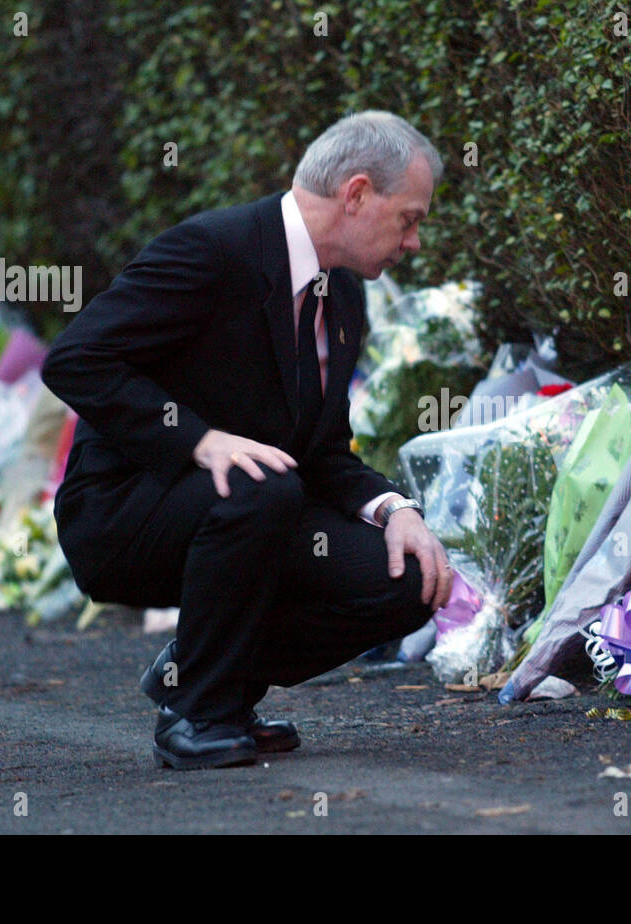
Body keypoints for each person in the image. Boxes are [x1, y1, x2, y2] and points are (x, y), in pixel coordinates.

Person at [40, 110, 454, 770]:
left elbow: (321, 452)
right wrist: (198, 440)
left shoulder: (342, 297)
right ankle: (198, 714)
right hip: (123, 512)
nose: (414, 242)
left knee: (407, 580)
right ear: (356, 194)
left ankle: (206, 675)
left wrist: (393, 509)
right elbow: (76, 360)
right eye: (409, 218)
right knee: (261, 486)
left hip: (251, 510)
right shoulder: (212, 251)